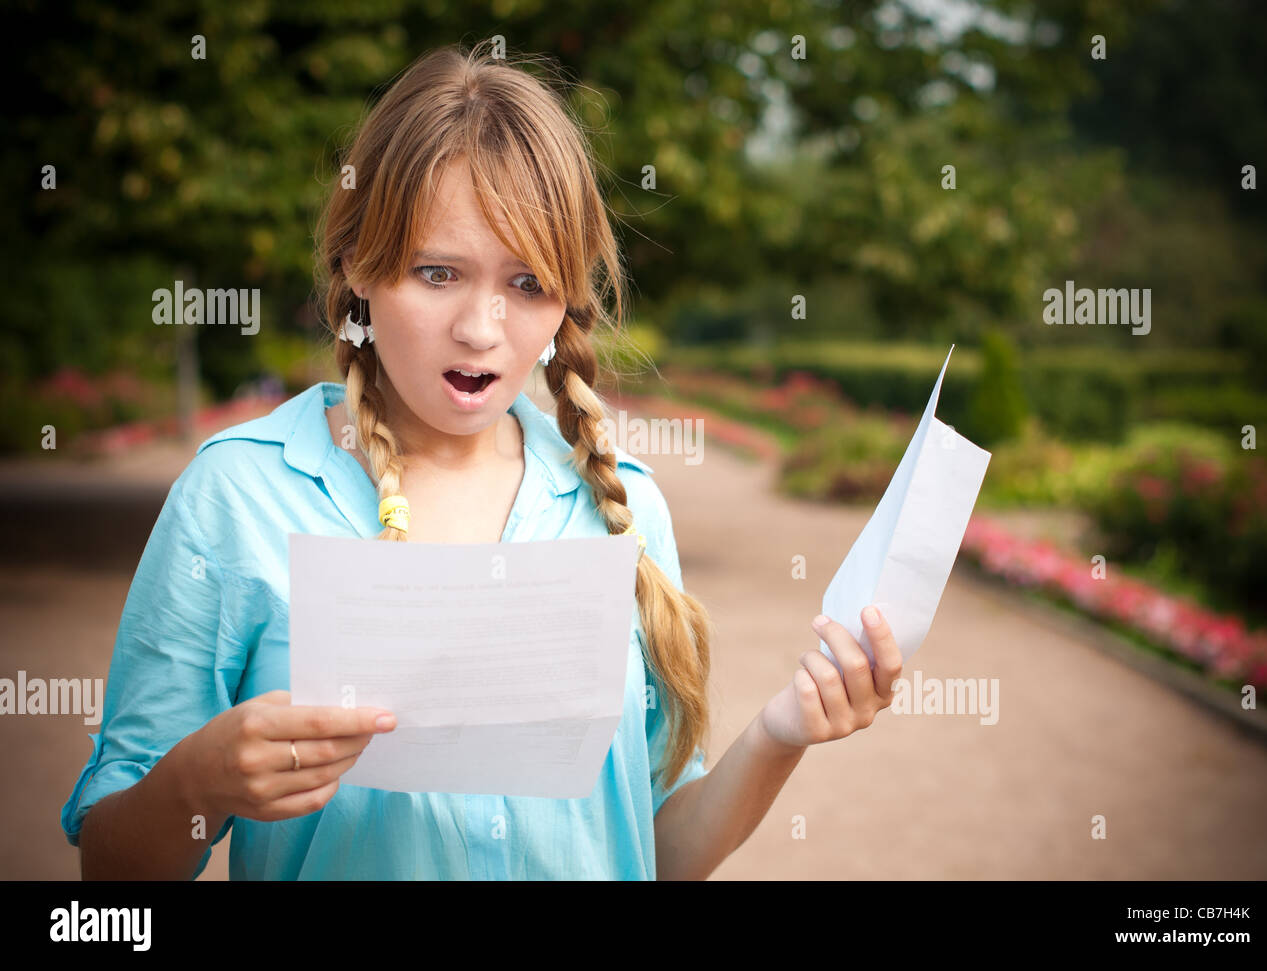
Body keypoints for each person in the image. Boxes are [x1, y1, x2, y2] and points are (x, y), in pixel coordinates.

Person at [61, 40, 902, 880]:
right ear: (357, 262)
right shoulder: (238, 495)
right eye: (437, 273)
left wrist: (782, 731)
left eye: (528, 283)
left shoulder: (623, 507)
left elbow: (655, 854)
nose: (481, 329)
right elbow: (112, 876)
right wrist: (196, 782)